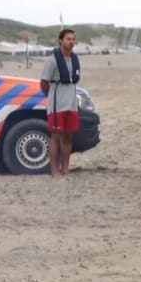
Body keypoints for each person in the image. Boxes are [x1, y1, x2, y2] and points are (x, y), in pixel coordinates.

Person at [40, 28, 83, 177]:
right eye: (68, 39)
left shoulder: (75, 59)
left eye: (73, 39)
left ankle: (65, 168)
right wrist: (51, 97)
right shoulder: (52, 60)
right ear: (60, 40)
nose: (71, 42)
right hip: (57, 105)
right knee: (56, 136)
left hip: (71, 105)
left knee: (68, 136)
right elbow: (44, 83)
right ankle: (54, 169)